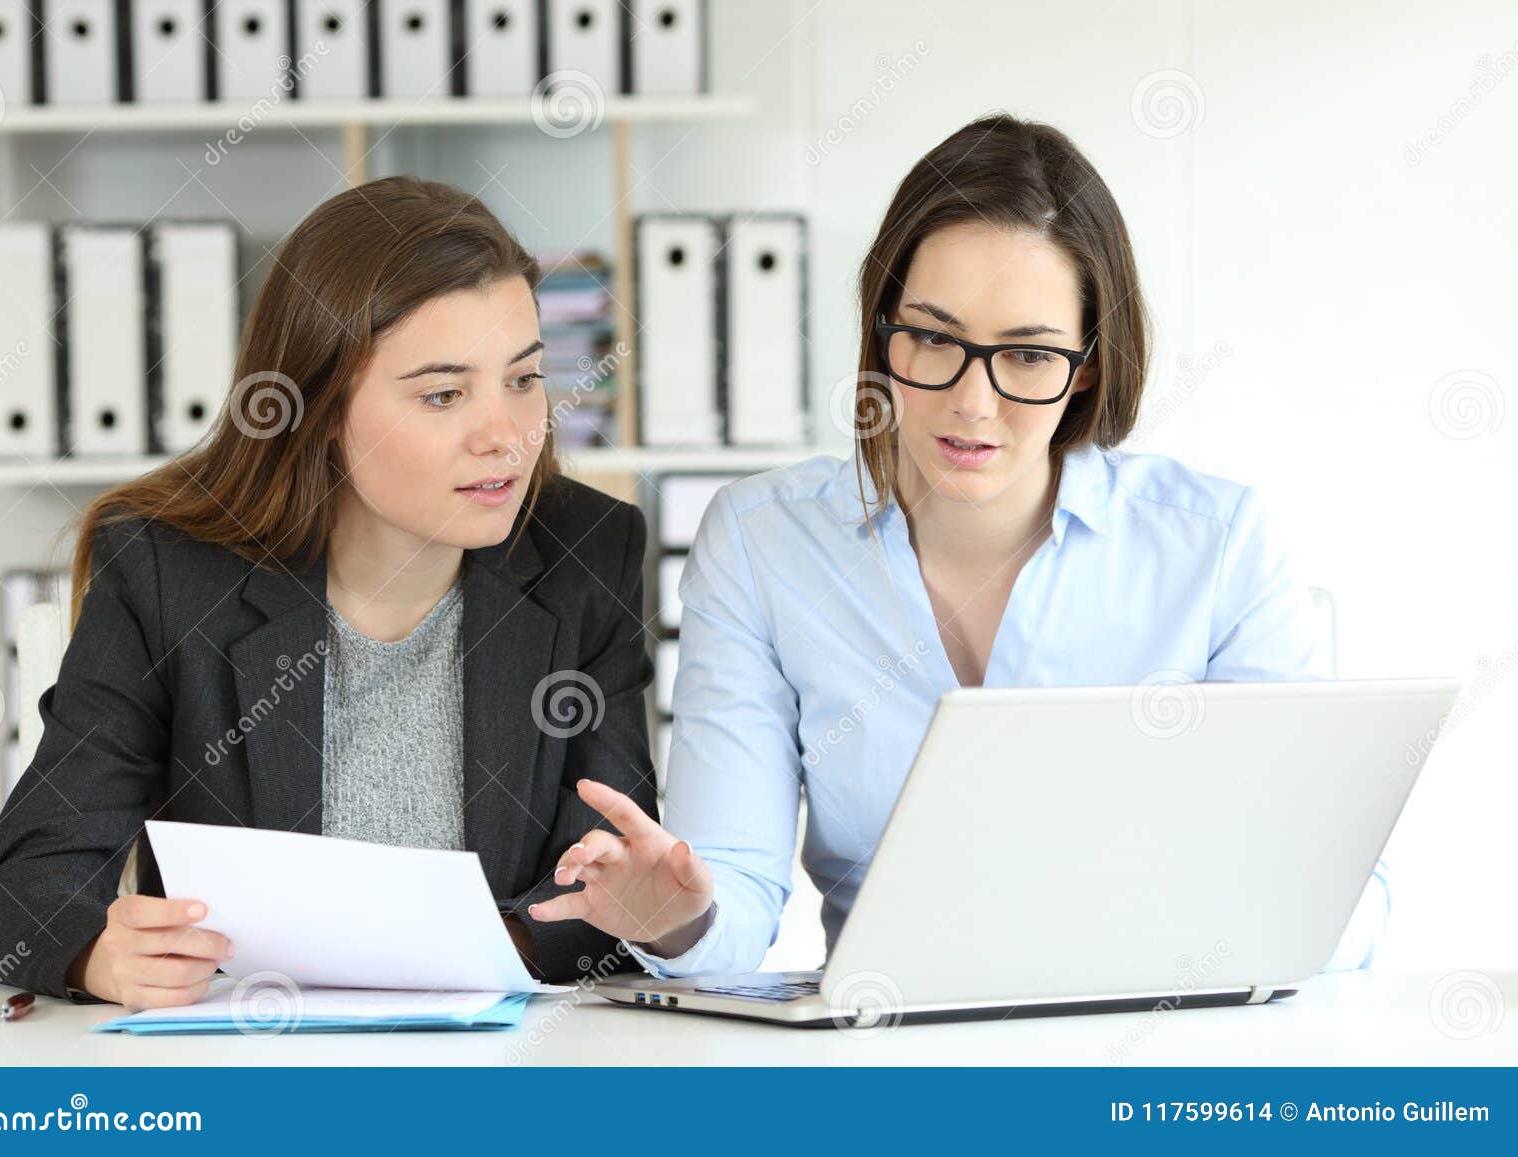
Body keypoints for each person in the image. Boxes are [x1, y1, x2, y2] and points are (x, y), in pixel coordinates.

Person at [530, 113, 1386, 975]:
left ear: (1088, 362)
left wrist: (1293, 906)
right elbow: (735, 891)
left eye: (1027, 354)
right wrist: (675, 919)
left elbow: (1337, 890)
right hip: (892, 1049)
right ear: (883, 326)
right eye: (934, 337)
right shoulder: (762, 543)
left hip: (1149, 1038)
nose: (973, 403)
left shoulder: (1213, 546)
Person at [0, 176, 656, 1007]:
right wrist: (96, 955)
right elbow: (27, 891)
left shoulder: (587, 555)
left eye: (523, 378)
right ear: (319, 409)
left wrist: (452, 955)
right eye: (443, 394)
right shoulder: (167, 570)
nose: (506, 436)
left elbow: (607, 884)